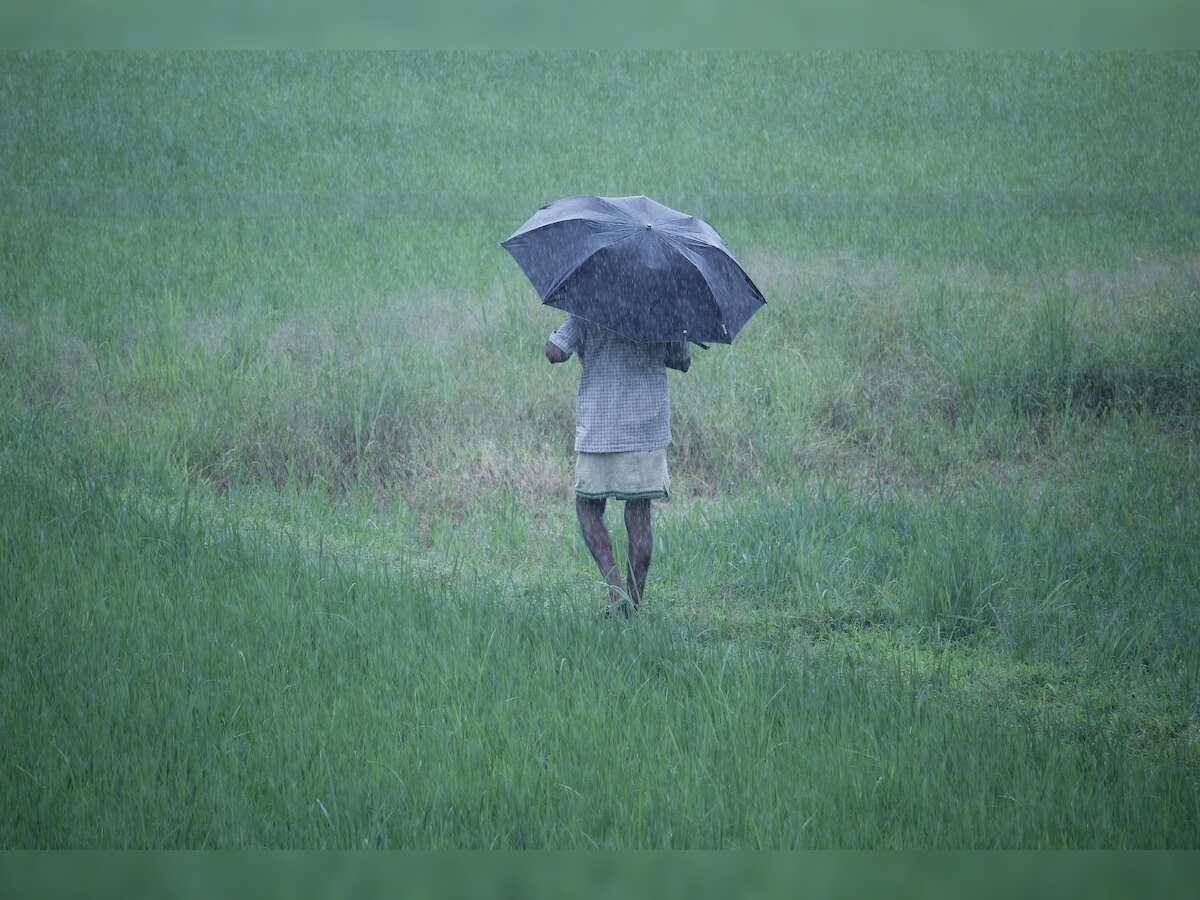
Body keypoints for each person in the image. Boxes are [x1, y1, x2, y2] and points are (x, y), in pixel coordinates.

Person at [545, 314, 691, 616]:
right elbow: (682, 361)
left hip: (600, 427)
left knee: (587, 507)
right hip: (645, 429)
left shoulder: (589, 307)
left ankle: (615, 592)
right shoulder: (661, 310)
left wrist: (566, 335)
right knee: (639, 516)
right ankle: (634, 606)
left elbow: (555, 352)